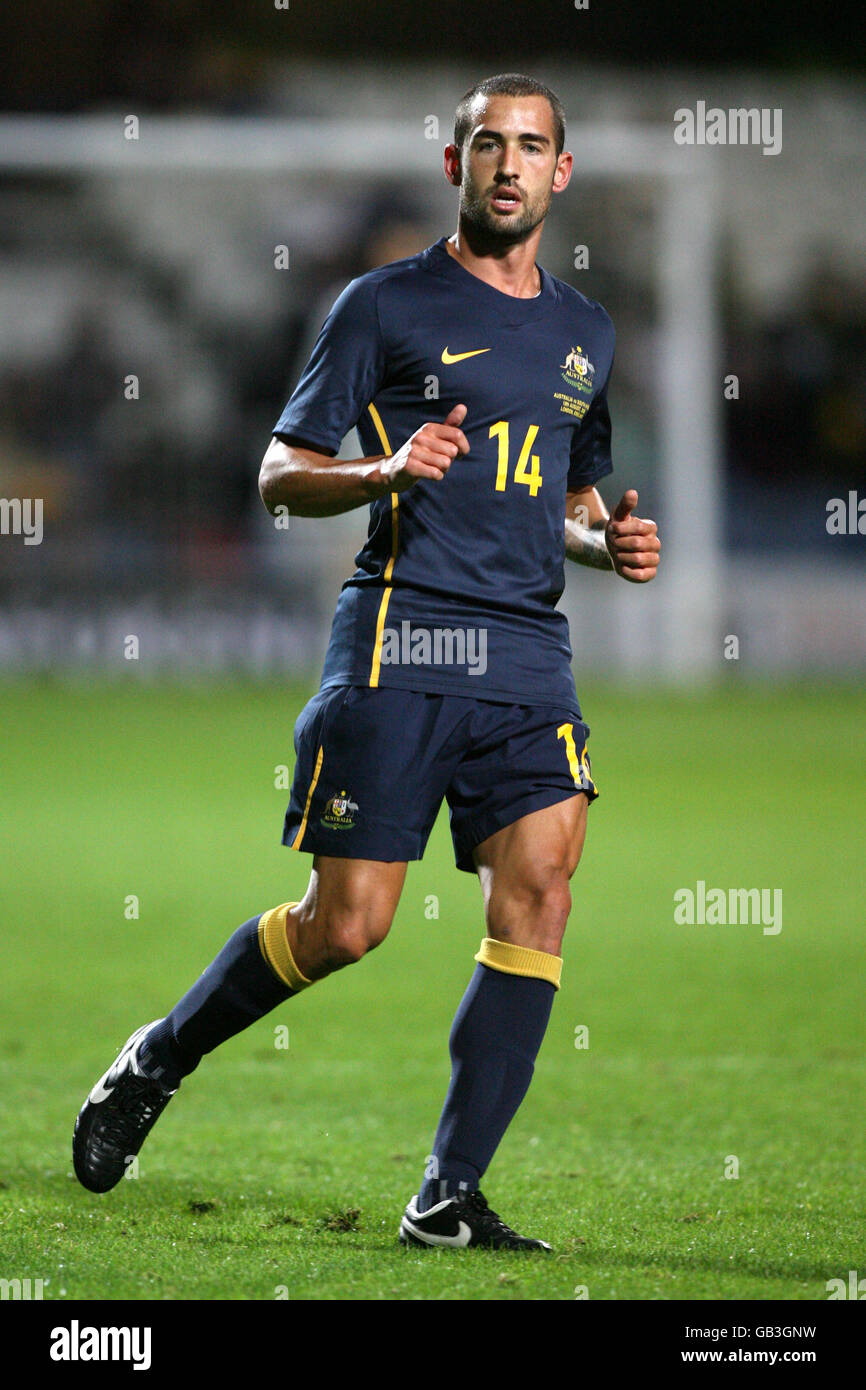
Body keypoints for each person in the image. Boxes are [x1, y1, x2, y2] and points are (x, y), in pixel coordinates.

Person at [73, 73, 661, 1252]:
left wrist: (608, 542)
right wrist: (383, 475)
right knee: (347, 925)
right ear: (455, 168)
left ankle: (446, 1195)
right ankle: (157, 1056)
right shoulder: (381, 307)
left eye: (530, 146)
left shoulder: (584, 334)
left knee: (541, 884)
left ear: (560, 174)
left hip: (526, 652)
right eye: (485, 144)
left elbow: (564, 501)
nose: (507, 164)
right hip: (400, 632)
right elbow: (279, 475)